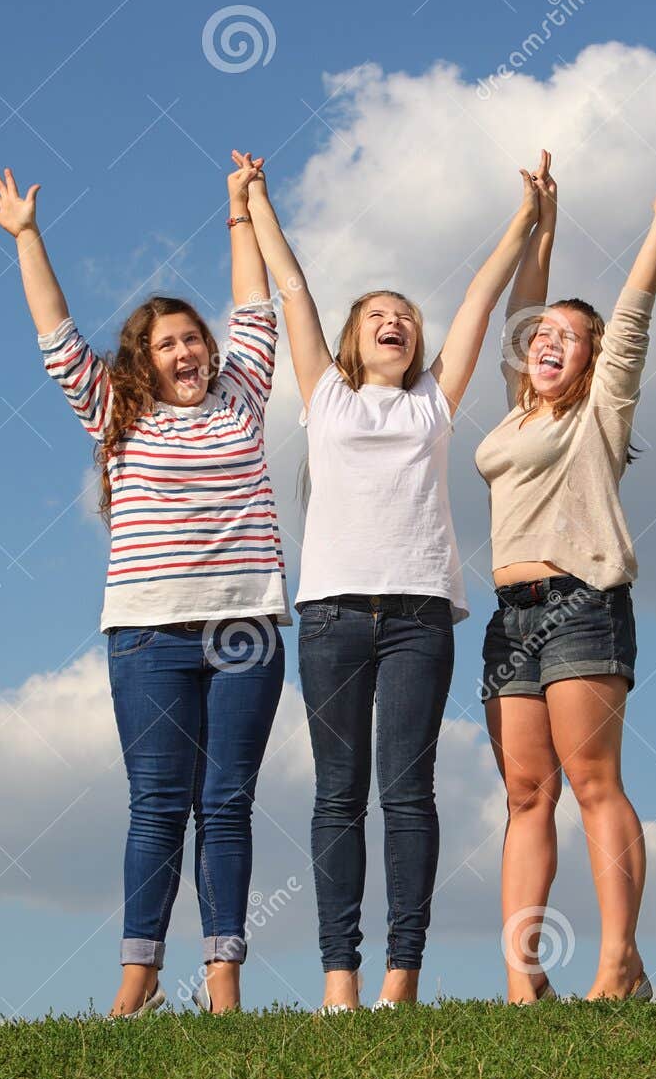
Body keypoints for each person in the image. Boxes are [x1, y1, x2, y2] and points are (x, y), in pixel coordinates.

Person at [235, 147, 548, 1011]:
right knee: (337, 796)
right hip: (332, 616)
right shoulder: (325, 397)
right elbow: (292, 290)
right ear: (353, 338)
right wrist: (255, 203)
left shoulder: (432, 402)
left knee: (407, 794)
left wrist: (524, 220)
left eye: (405, 316)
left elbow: (479, 301)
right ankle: (339, 976)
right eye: (378, 314)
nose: (394, 322)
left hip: (417, 617)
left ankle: (401, 975)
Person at [0, 157, 288, 1017]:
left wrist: (238, 208)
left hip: (245, 631)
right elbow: (56, 336)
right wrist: (28, 237)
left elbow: (256, 304)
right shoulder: (116, 414)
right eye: (166, 344)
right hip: (149, 633)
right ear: (142, 362)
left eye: (192, 338)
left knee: (225, 803)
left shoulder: (243, 393)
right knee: (157, 803)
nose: (185, 352)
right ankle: (140, 973)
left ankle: (223, 976)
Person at [474, 152, 656, 1003]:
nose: (548, 343)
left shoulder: (598, 413)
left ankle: (617, 963)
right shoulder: (515, 412)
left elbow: (631, 316)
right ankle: (522, 978)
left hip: (580, 603)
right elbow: (523, 313)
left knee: (593, 783)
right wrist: (542, 223)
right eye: (543, 338)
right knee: (526, 795)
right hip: (507, 617)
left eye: (569, 339)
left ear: (594, 362)